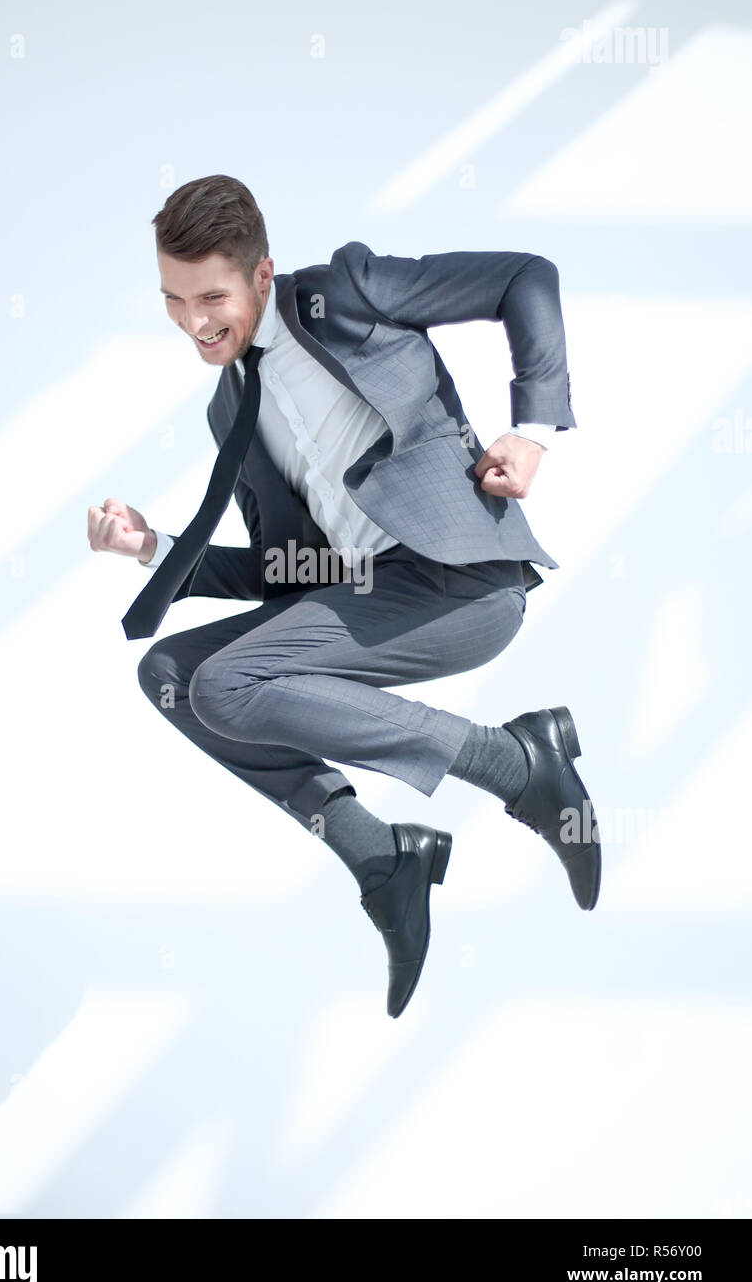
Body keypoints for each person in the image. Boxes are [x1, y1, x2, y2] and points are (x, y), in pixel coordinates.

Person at [87, 174, 600, 1018]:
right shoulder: (231, 412)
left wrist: (533, 431)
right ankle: (380, 859)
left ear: (262, 275)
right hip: (371, 597)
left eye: (210, 295)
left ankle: (517, 765)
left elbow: (524, 276)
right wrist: (154, 549)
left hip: (463, 583)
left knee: (227, 684)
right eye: (173, 301)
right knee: (176, 673)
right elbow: (280, 572)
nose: (193, 322)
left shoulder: (347, 293)